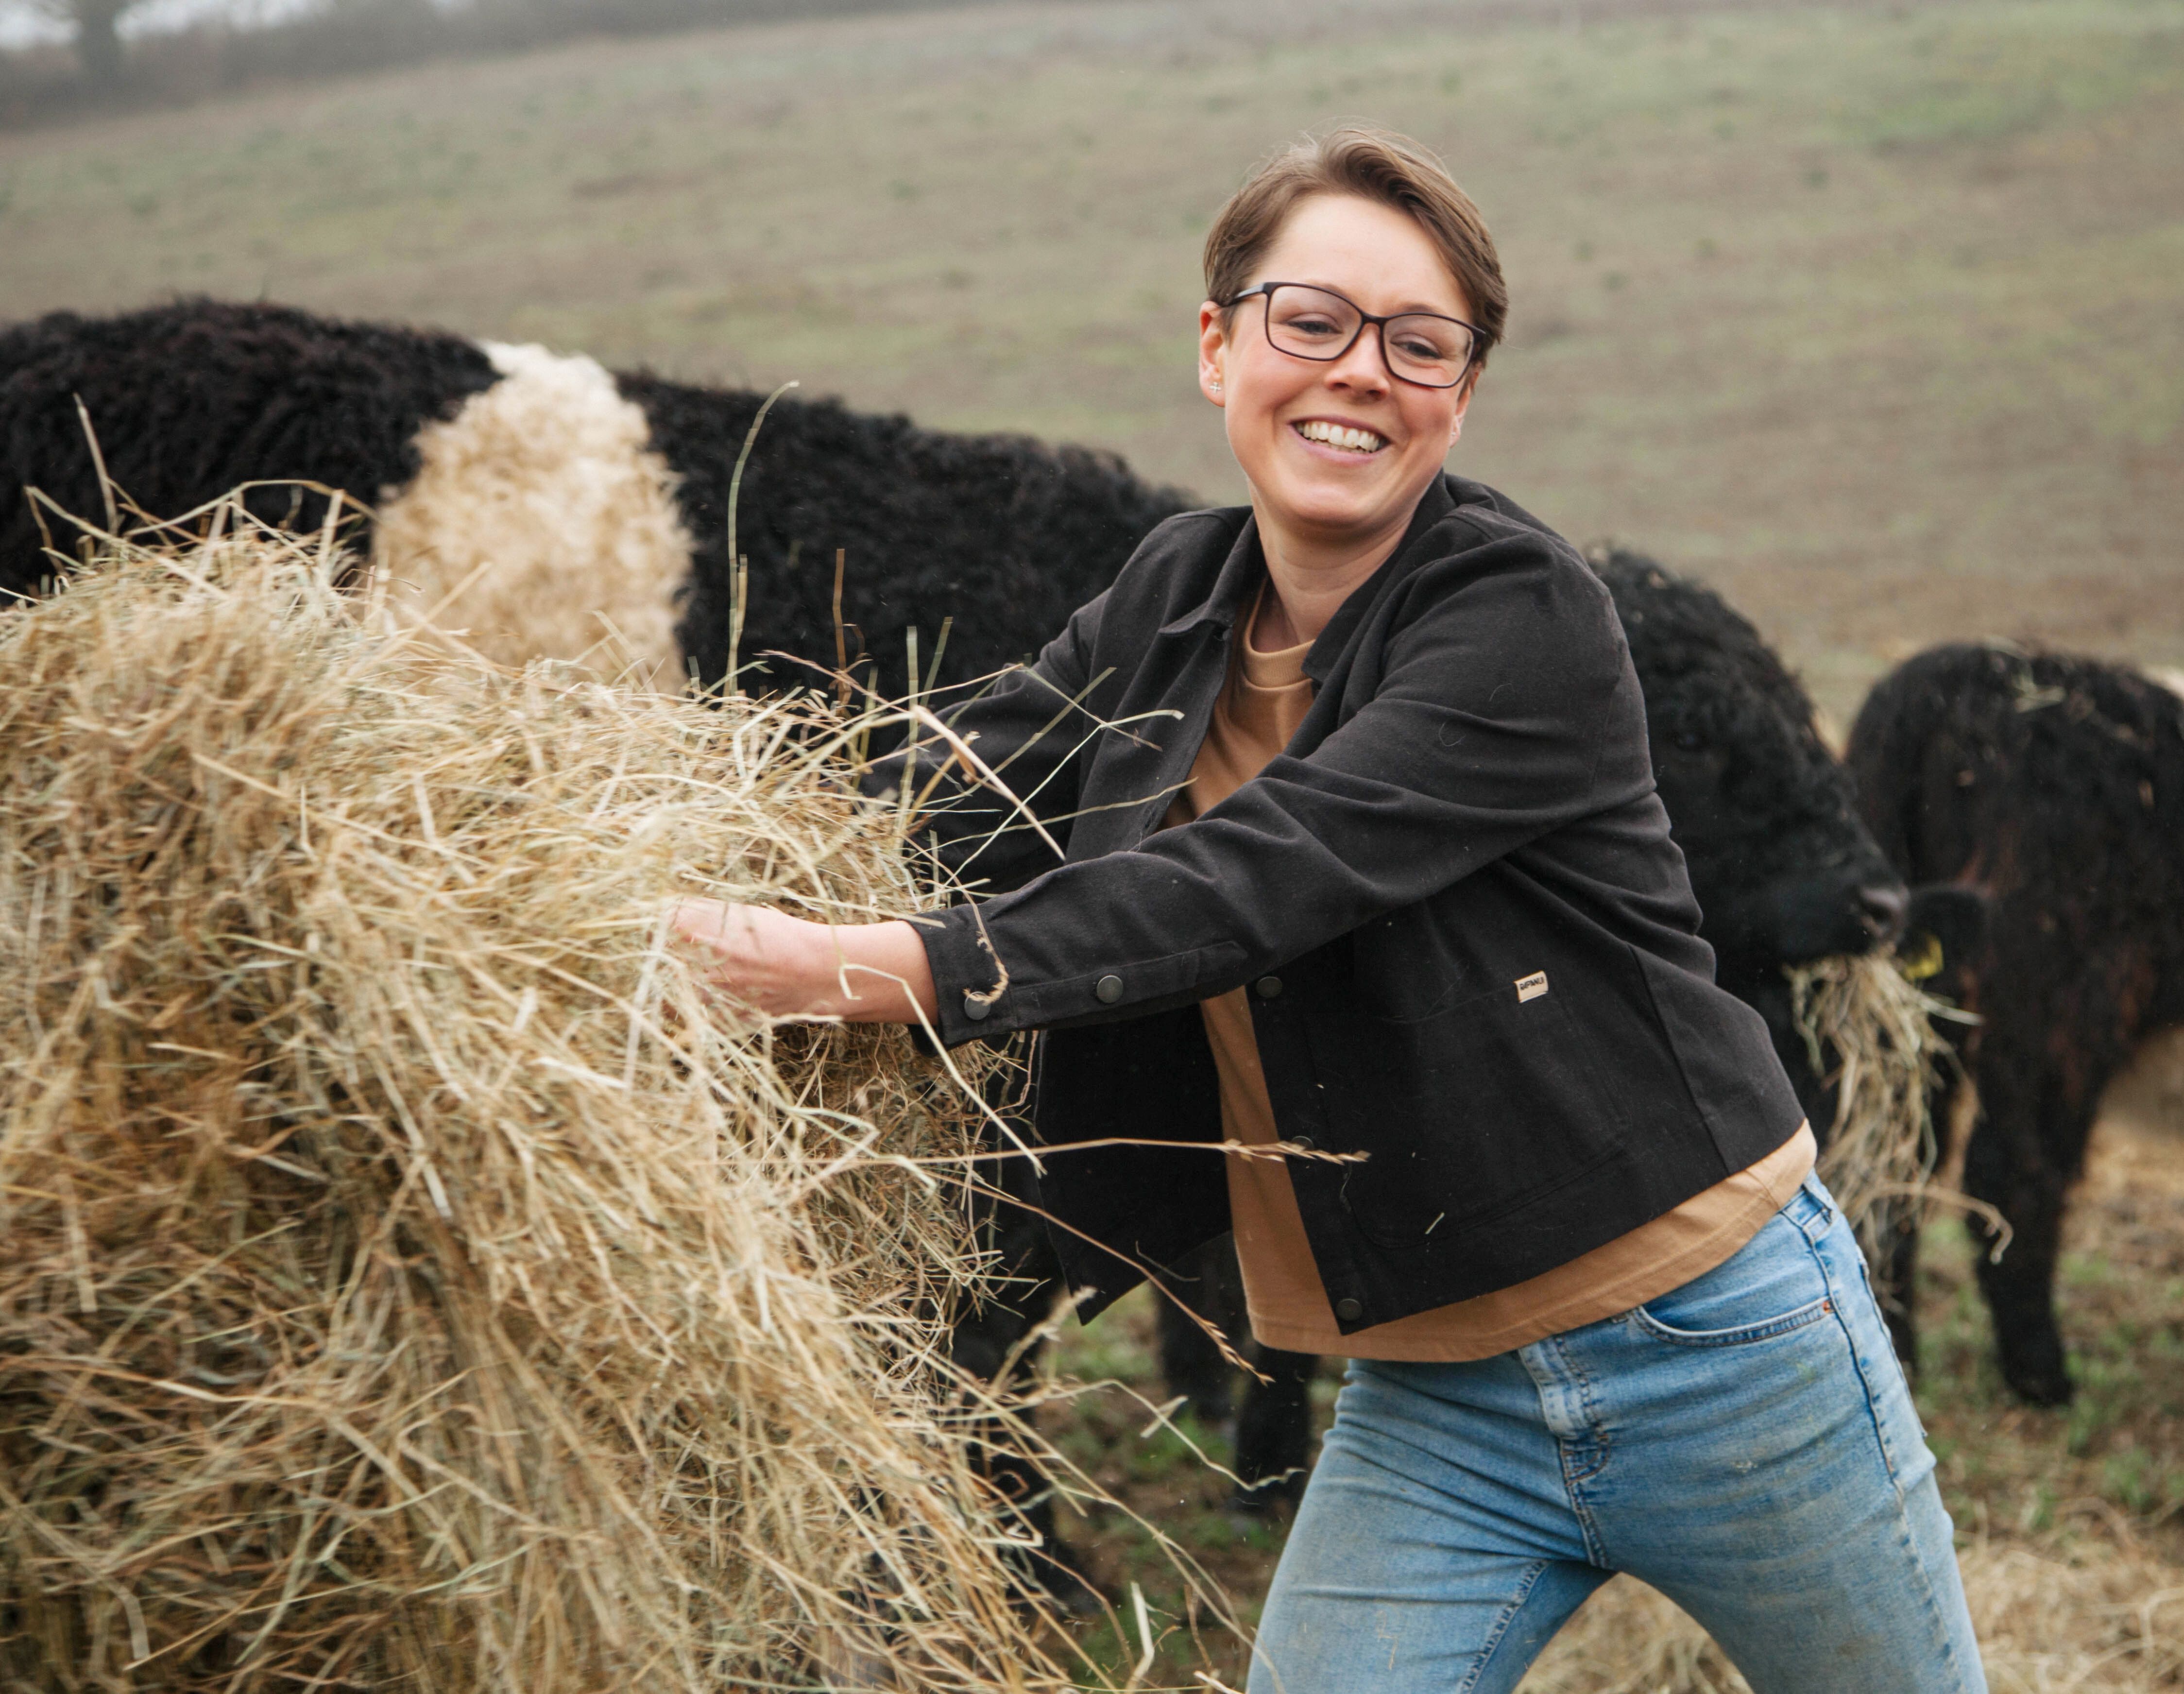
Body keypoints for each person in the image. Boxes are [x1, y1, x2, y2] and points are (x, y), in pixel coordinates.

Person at [674, 126, 1986, 1694]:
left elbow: (1270, 873)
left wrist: (885, 970)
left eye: (1418, 344)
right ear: (1218, 345)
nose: (1359, 372)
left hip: (1723, 1347)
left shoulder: (1523, 618)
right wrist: (662, 874)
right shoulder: (1175, 591)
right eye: (1311, 322)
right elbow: (958, 783)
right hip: (1435, 1394)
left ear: (1462, 394)